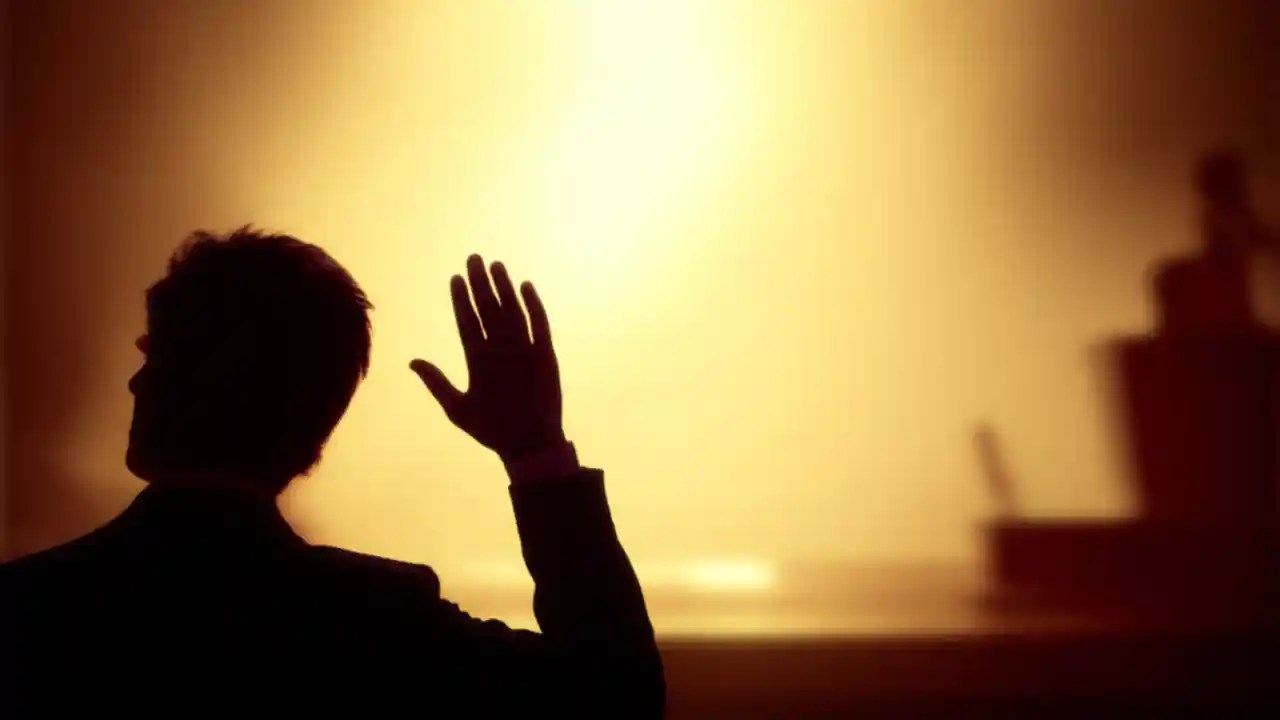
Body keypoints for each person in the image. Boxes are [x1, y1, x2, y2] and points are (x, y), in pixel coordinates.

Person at [1, 227, 665, 717]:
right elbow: (614, 698)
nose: (136, 380)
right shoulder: (380, 623)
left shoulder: (28, 614)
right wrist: (536, 452)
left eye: (158, 354)